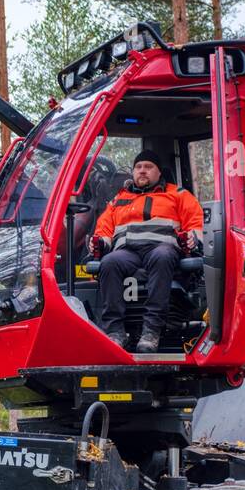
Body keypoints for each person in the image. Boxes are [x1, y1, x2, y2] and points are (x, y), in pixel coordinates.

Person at [90, 150, 203, 353]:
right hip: (128, 252)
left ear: (159, 172)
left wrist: (192, 239)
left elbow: (194, 224)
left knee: (162, 256)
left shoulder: (178, 195)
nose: (142, 171)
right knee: (109, 263)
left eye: (148, 167)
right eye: (138, 167)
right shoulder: (118, 200)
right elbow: (104, 229)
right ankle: (114, 331)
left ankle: (151, 330)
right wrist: (100, 244)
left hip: (161, 249)